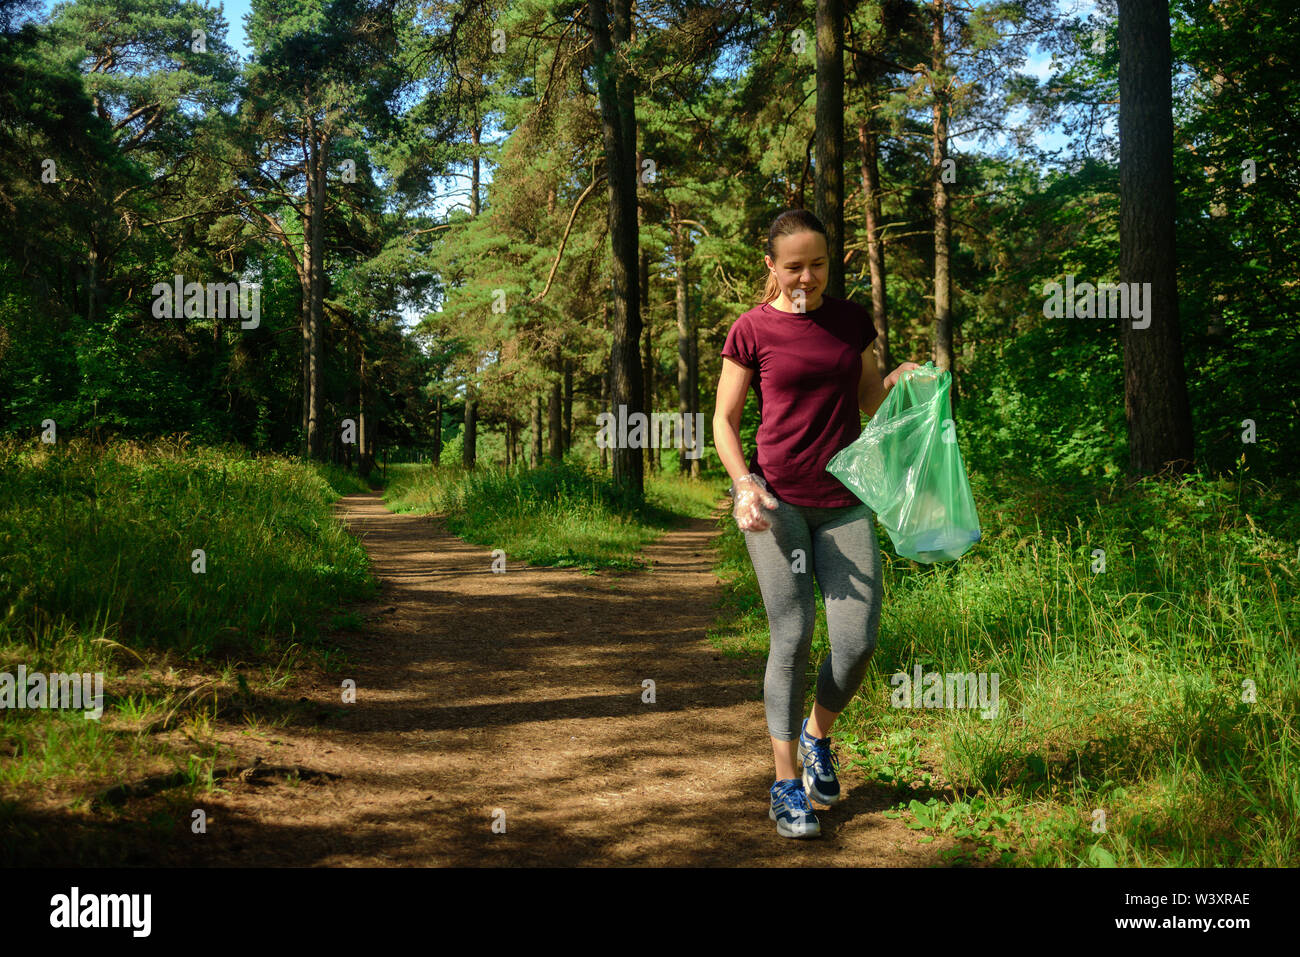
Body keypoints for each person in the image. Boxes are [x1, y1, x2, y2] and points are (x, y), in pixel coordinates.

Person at [713, 208, 919, 838]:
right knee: (793, 636)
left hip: (845, 499)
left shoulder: (852, 321)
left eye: (819, 264)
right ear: (772, 267)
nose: (807, 277)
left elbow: (868, 401)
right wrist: (743, 484)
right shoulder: (750, 330)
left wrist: (901, 382)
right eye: (794, 266)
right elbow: (723, 419)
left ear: (833, 262)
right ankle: (784, 787)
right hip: (777, 502)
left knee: (856, 642)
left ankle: (816, 736)